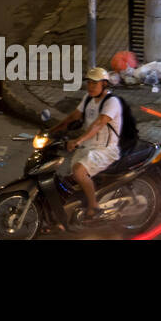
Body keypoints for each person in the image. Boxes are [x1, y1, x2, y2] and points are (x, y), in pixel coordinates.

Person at [50, 67, 122, 220]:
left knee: (78, 171)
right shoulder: (88, 98)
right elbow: (74, 117)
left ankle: (94, 206)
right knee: (68, 177)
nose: (90, 86)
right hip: (88, 147)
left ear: (104, 84)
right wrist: (53, 129)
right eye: (89, 83)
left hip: (105, 149)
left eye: (94, 84)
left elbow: (98, 124)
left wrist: (78, 140)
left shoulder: (112, 102)